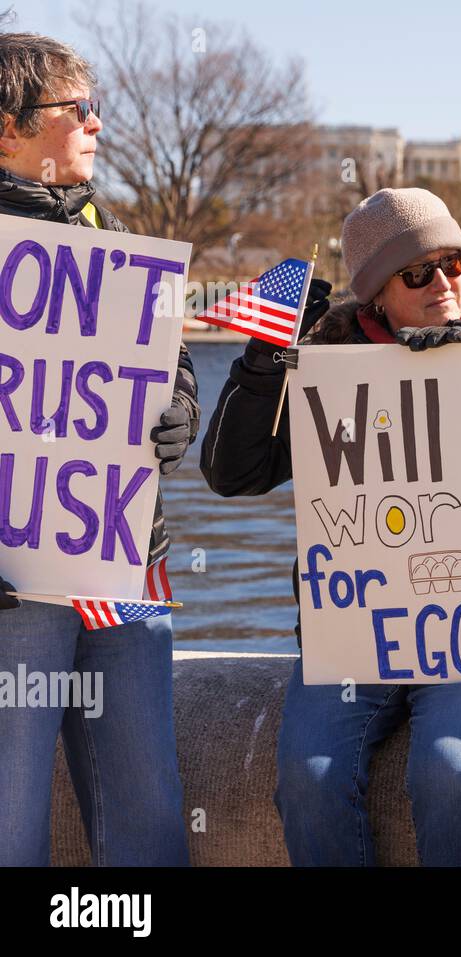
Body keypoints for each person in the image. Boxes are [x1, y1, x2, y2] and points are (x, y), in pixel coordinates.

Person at [200, 187, 461, 866]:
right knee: (308, 778)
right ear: (377, 294)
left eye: (454, 263)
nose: (443, 283)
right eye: (417, 272)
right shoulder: (335, 363)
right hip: (360, 627)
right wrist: (263, 362)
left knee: (447, 771)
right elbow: (234, 472)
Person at [0, 32, 198, 866]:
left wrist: (177, 409)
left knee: (147, 816)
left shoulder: (111, 232)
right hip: (16, 585)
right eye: (75, 109)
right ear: (7, 131)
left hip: (126, 567)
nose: (97, 123)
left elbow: (172, 363)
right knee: (10, 823)